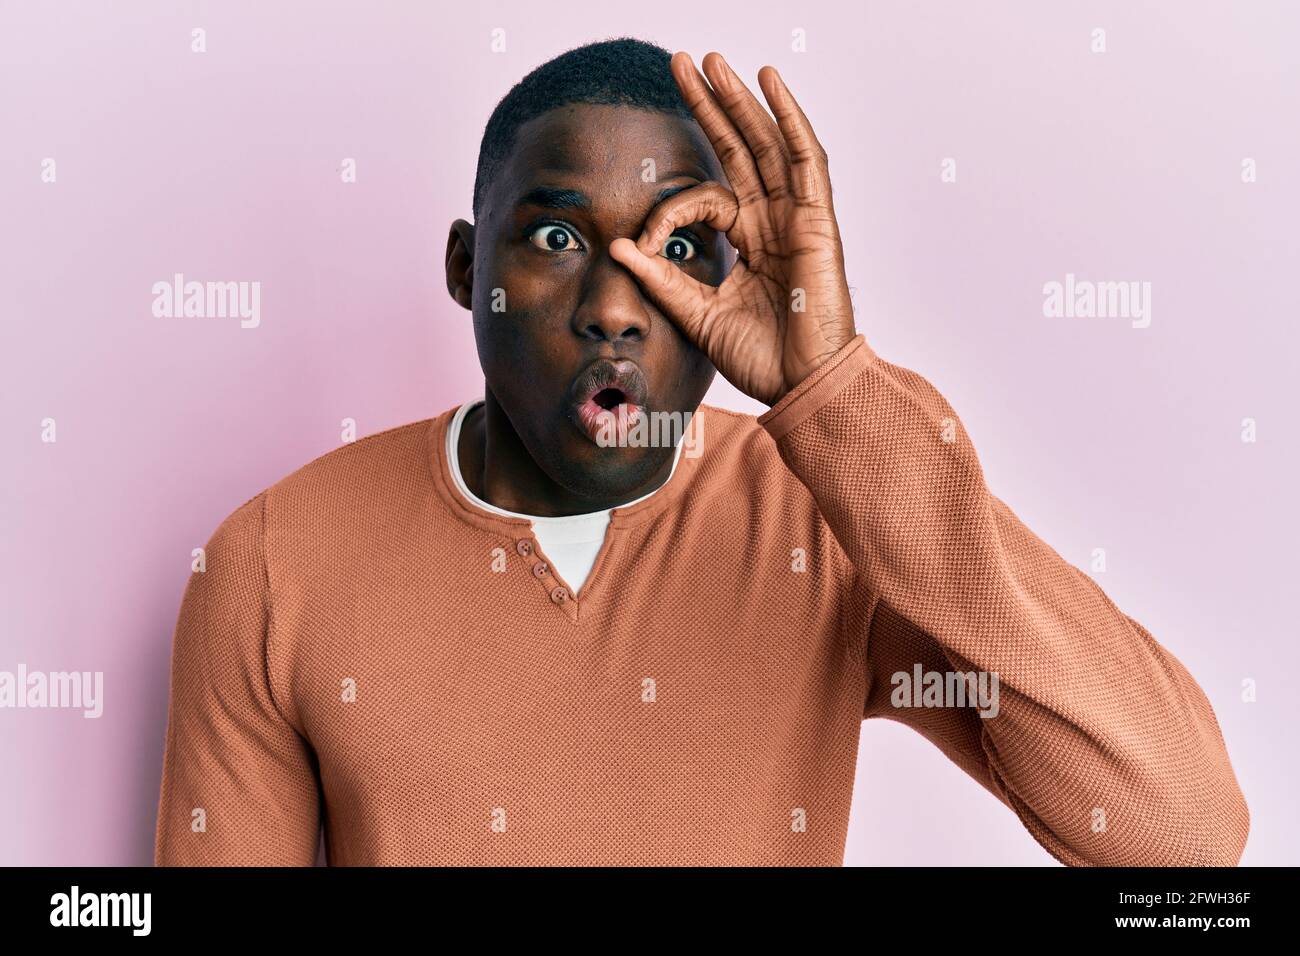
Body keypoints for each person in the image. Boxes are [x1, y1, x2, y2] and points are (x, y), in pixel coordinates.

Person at [154, 38, 1249, 866]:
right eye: (556, 237)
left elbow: (1182, 834)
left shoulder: (824, 513)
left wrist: (835, 391)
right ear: (462, 265)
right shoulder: (270, 562)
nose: (618, 308)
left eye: (681, 248)